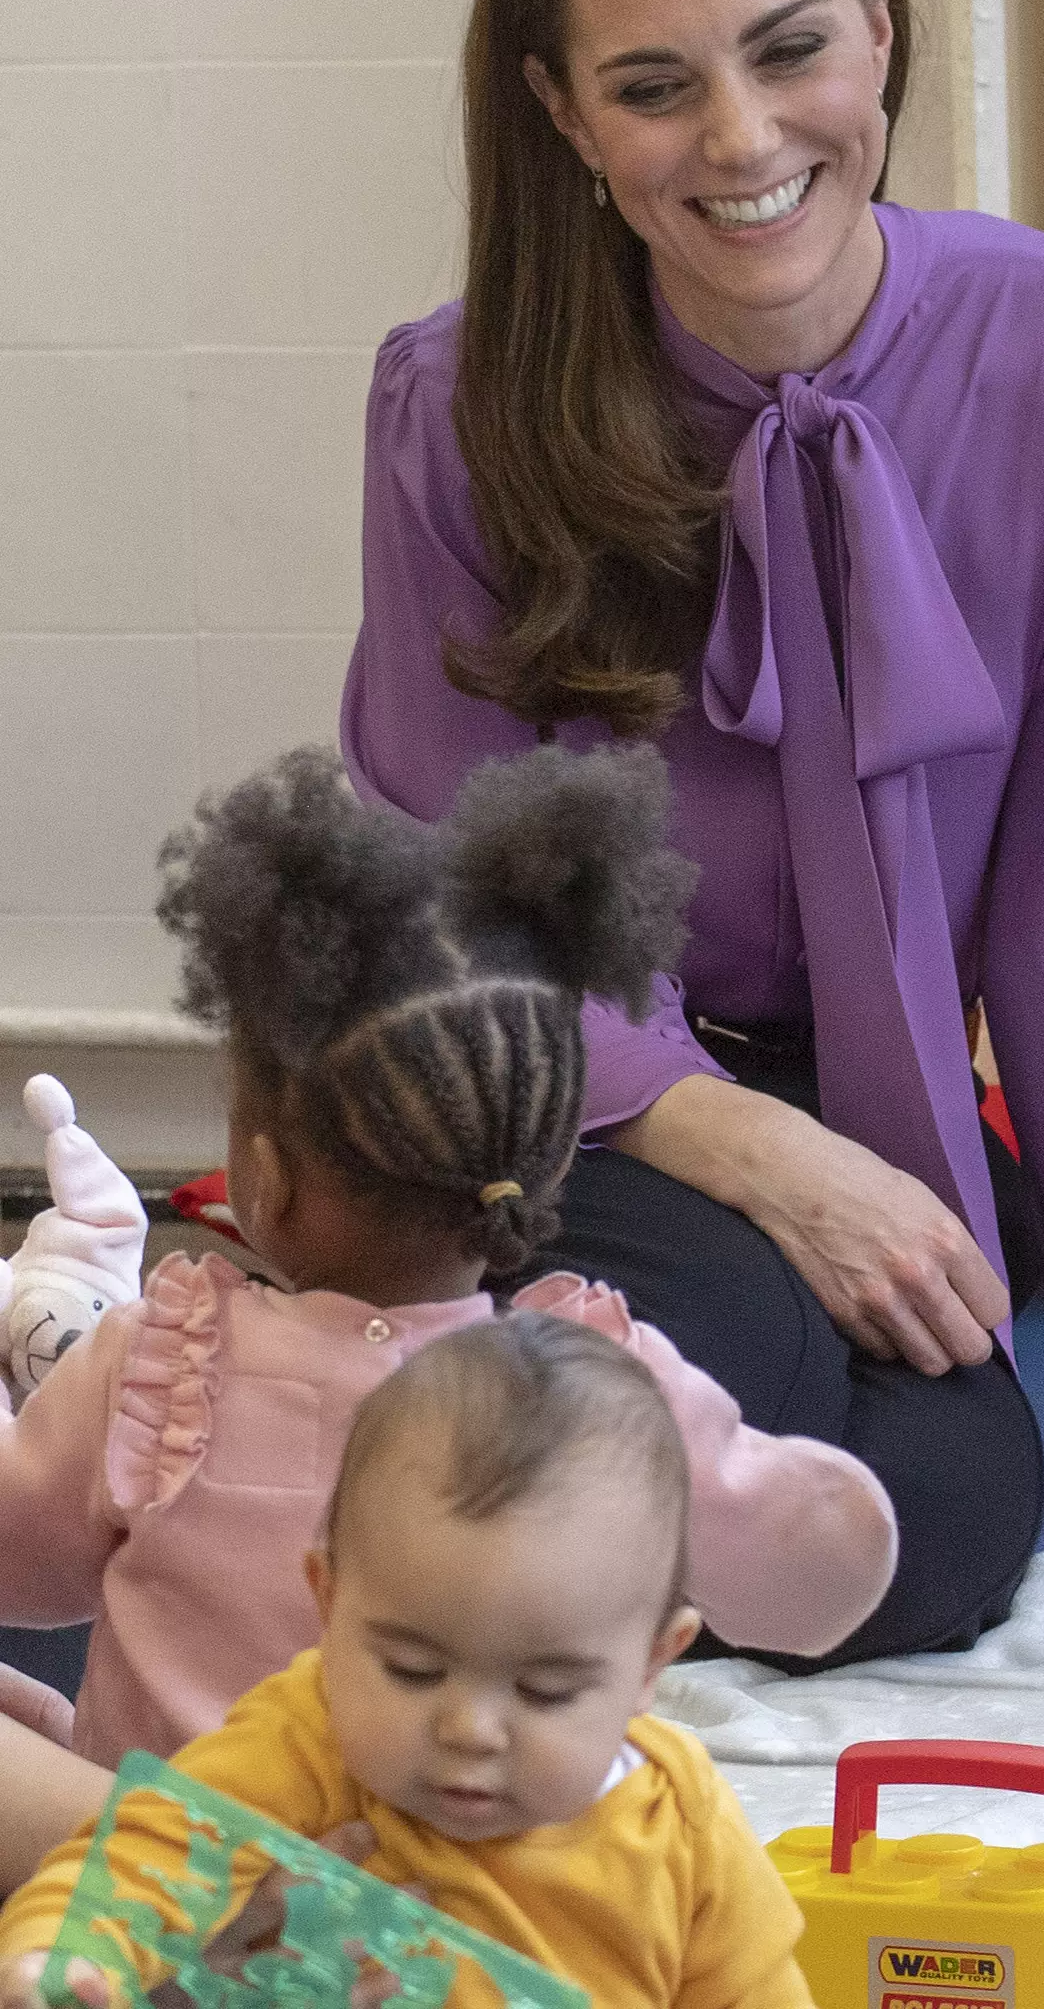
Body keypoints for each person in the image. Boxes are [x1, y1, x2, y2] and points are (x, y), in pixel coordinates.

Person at [340, 0, 1044, 1625]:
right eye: (653, 87)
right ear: (565, 117)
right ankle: (322, 1436)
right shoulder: (458, 403)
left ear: (884, 25)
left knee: (952, 1521)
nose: (741, 140)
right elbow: (471, 889)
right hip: (567, 1073)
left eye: (790, 48)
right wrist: (740, 1138)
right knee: (730, 1322)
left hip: (865, 1082)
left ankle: (488, 1518)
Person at [0, 742, 895, 1768]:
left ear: (264, 1175)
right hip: (497, 1912)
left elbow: (19, 1562)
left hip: (194, 1904)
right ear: (549, 1156)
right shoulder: (606, 1393)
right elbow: (818, 1587)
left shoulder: (156, 1369)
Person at [0, 1313, 815, 2009]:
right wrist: (66, 1956)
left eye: (546, 1690)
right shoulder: (306, 1739)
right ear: (328, 1601)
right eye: (413, 1671)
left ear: (650, 1666)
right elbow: (148, 1854)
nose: (468, 1728)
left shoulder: (680, 1820)